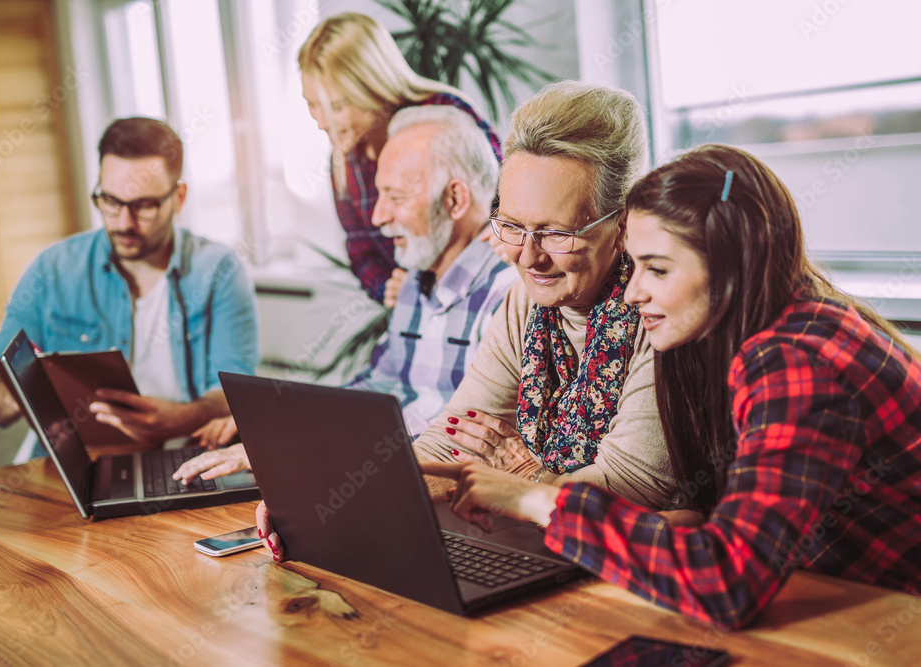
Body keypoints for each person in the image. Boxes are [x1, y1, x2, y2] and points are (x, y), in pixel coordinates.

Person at [424, 143, 921, 629]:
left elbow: (725, 585)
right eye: (634, 265)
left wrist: (536, 499)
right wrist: (686, 525)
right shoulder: (789, 322)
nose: (635, 292)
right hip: (842, 610)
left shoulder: (793, 362)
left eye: (657, 269)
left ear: (733, 265)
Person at [257, 81, 683, 561]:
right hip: (557, 548)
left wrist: (527, 481)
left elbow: (629, 489)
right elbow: (449, 442)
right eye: (512, 225)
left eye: (556, 233)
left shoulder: (660, 313)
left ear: (623, 223)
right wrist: (321, 499)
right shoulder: (527, 303)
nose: (527, 258)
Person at [173, 105, 516, 483]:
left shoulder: (508, 295)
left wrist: (301, 447)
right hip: (385, 475)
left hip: (442, 491)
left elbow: (467, 439)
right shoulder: (414, 282)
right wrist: (277, 425)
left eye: (396, 197)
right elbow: (379, 390)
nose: (378, 217)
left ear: (454, 200)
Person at [0, 117, 260, 459]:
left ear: (178, 197)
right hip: (73, 464)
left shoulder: (219, 271)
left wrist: (176, 421)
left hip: (184, 459)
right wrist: (18, 394)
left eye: (144, 206)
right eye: (110, 201)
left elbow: (235, 391)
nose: (124, 222)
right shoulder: (53, 269)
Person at [299, 12, 501, 306]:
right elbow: (359, 247)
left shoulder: (445, 115)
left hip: (484, 293)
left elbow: (508, 192)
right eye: (311, 105)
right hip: (419, 309)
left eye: (337, 106)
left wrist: (509, 233)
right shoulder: (344, 160)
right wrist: (387, 287)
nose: (321, 121)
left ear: (372, 85)